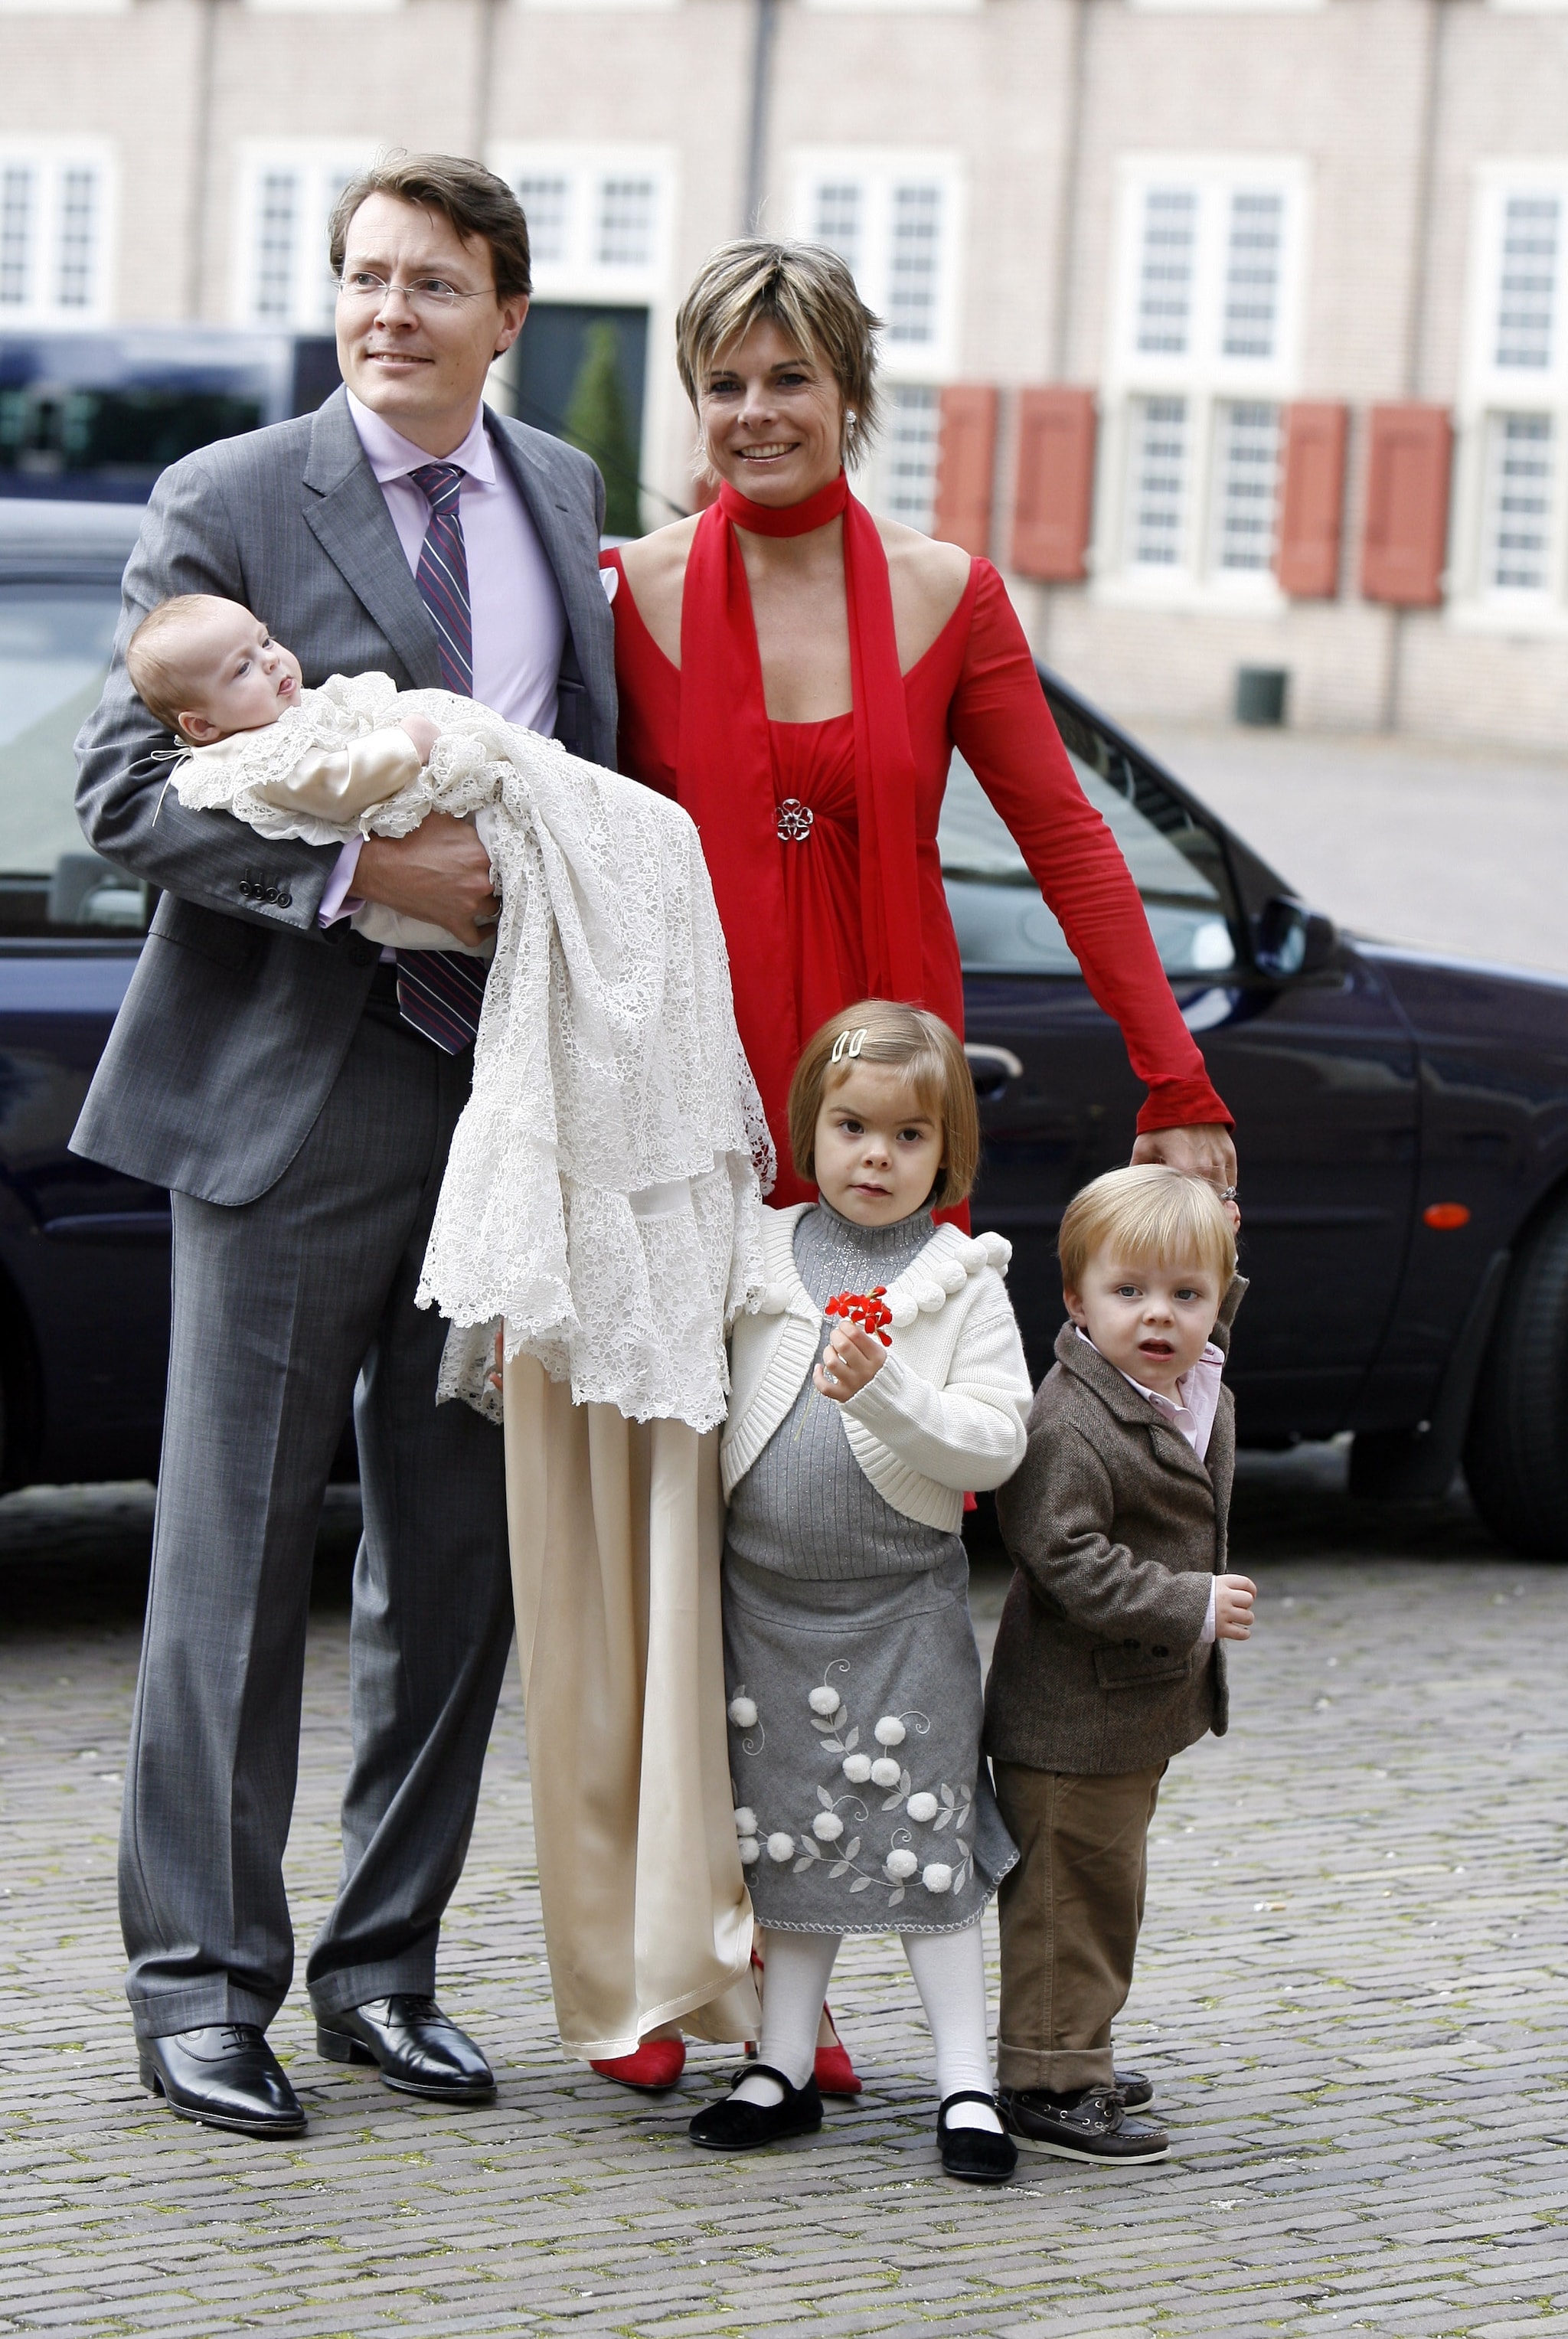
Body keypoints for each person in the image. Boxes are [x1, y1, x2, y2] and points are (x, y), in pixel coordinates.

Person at [71, 152, 615, 2139]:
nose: (389, 309)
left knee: (452, 1562)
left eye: (433, 280)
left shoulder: (560, 498)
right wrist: (373, 863)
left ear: (506, 312)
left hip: (508, 1107)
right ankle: (198, 1983)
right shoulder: (226, 498)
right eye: (365, 276)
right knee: (227, 1566)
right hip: (296, 1099)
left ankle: (386, 1964)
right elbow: (127, 786)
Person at [604, 237, 1238, 1216]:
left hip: (889, 1114)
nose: (754, 413)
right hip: (681, 1102)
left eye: (789, 378)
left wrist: (1175, 1076)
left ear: (850, 393)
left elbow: (1067, 843)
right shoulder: (622, 592)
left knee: (881, 1368)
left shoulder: (950, 594)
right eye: (723, 384)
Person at [696, 1000, 1033, 2184]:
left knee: (924, 1846)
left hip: (902, 1613)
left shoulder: (961, 1279)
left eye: (907, 1136)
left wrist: (887, 1392)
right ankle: (781, 2060)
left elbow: (992, 1442)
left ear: (948, 1156)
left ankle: (964, 2079)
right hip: (763, 1608)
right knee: (782, 1838)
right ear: (810, 1127)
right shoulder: (762, 1251)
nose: (875, 1157)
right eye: (851, 1126)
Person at [985, 1165, 1253, 2164]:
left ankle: (1074, 2043)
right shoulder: (1072, 1416)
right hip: (1068, 1721)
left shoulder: (1182, 1379)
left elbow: (1203, 1296)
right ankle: (1047, 2074)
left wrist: (1219, 1245)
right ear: (1076, 1298)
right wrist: (1189, 1602)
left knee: (1107, 1884)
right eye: (1129, 1292)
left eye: (1187, 1295)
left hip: (1130, 1712)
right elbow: (1058, 1554)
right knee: (1068, 1891)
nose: (1159, 1316)